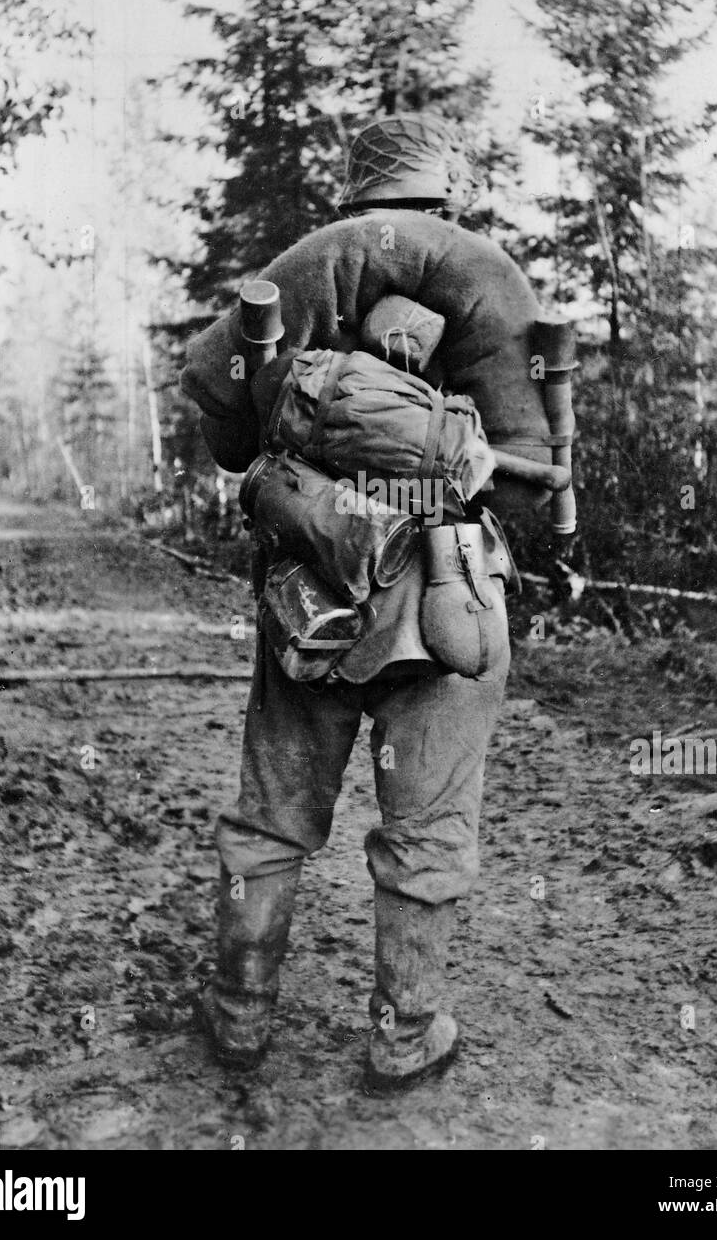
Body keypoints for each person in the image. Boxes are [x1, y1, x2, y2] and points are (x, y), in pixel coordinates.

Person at [181, 112, 563, 1091]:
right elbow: (533, 481)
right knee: (425, 825)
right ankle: (404, 1029)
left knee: (270, 819)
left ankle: (238, 1010)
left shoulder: (300, 265)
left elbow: (223, 425)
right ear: (445, 186)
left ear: (354, 189)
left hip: (308, 584)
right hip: (445, 594)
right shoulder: (484, 269)